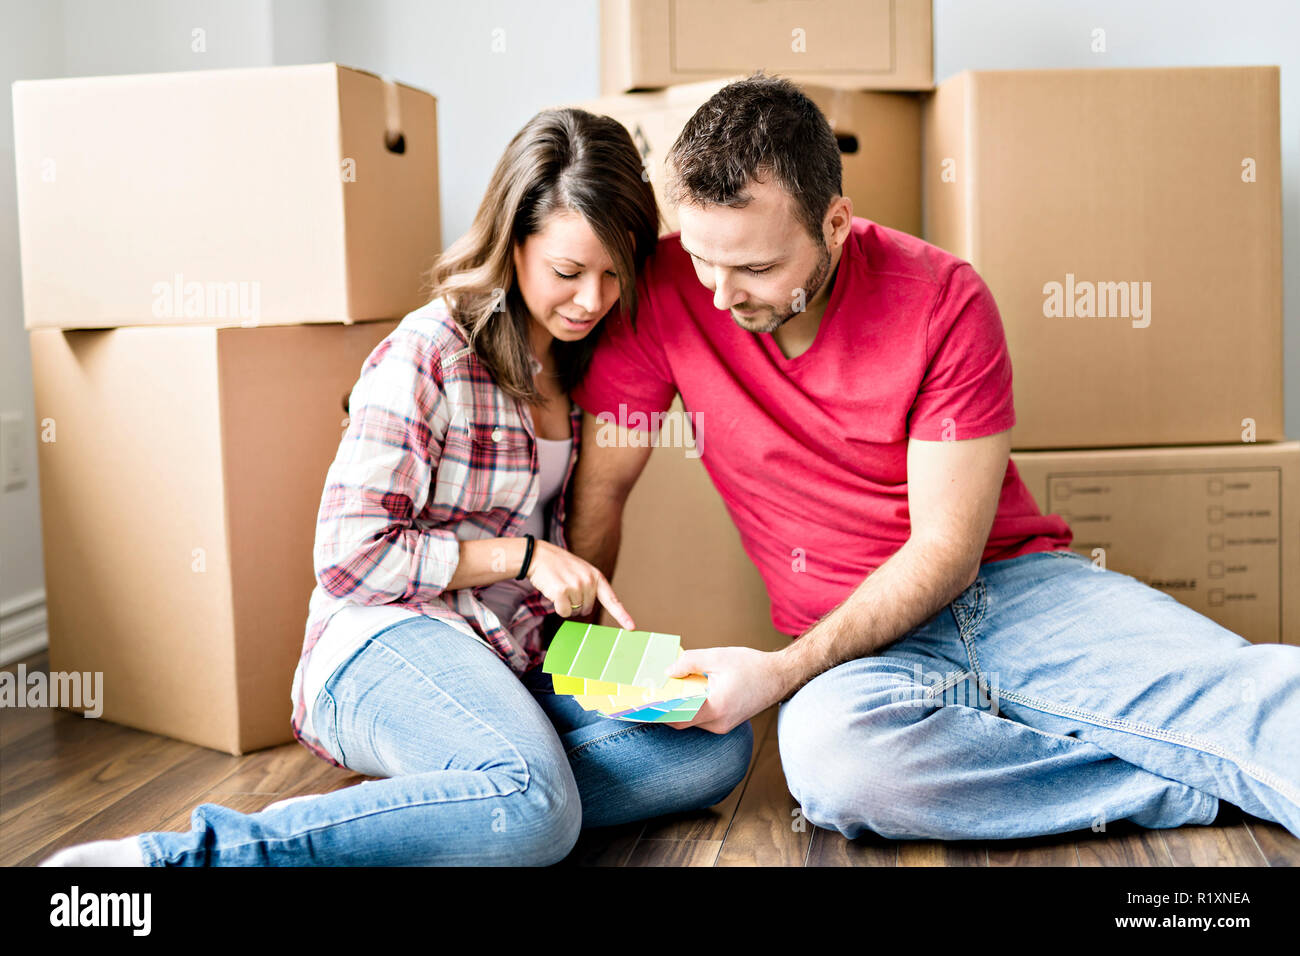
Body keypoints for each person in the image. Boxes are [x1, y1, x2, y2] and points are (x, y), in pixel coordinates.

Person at [565, 72, 1300, 842]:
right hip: (850, 645)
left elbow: (947, 552)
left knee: (1253, 700)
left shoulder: (943, 297)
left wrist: (778, 673)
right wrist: (575, 648)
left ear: (836, 223)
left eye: (756, 269)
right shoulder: (665, 292)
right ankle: (1191, 781)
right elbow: (603, 493)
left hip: (1013, 590)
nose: (719, 295)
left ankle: (1211, 750)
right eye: (707, 261)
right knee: (835, 765)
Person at [39, 108, 753, 867]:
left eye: (615, 274)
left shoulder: (584, 366)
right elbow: (348, 558)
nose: (592, 300)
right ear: (514, 245)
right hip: (387, 639)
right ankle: (179, 860)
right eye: (568, 273)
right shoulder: (430, 351)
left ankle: (446, 805)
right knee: (536, 809)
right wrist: (523, 558)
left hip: (513, 654)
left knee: (713, 742)